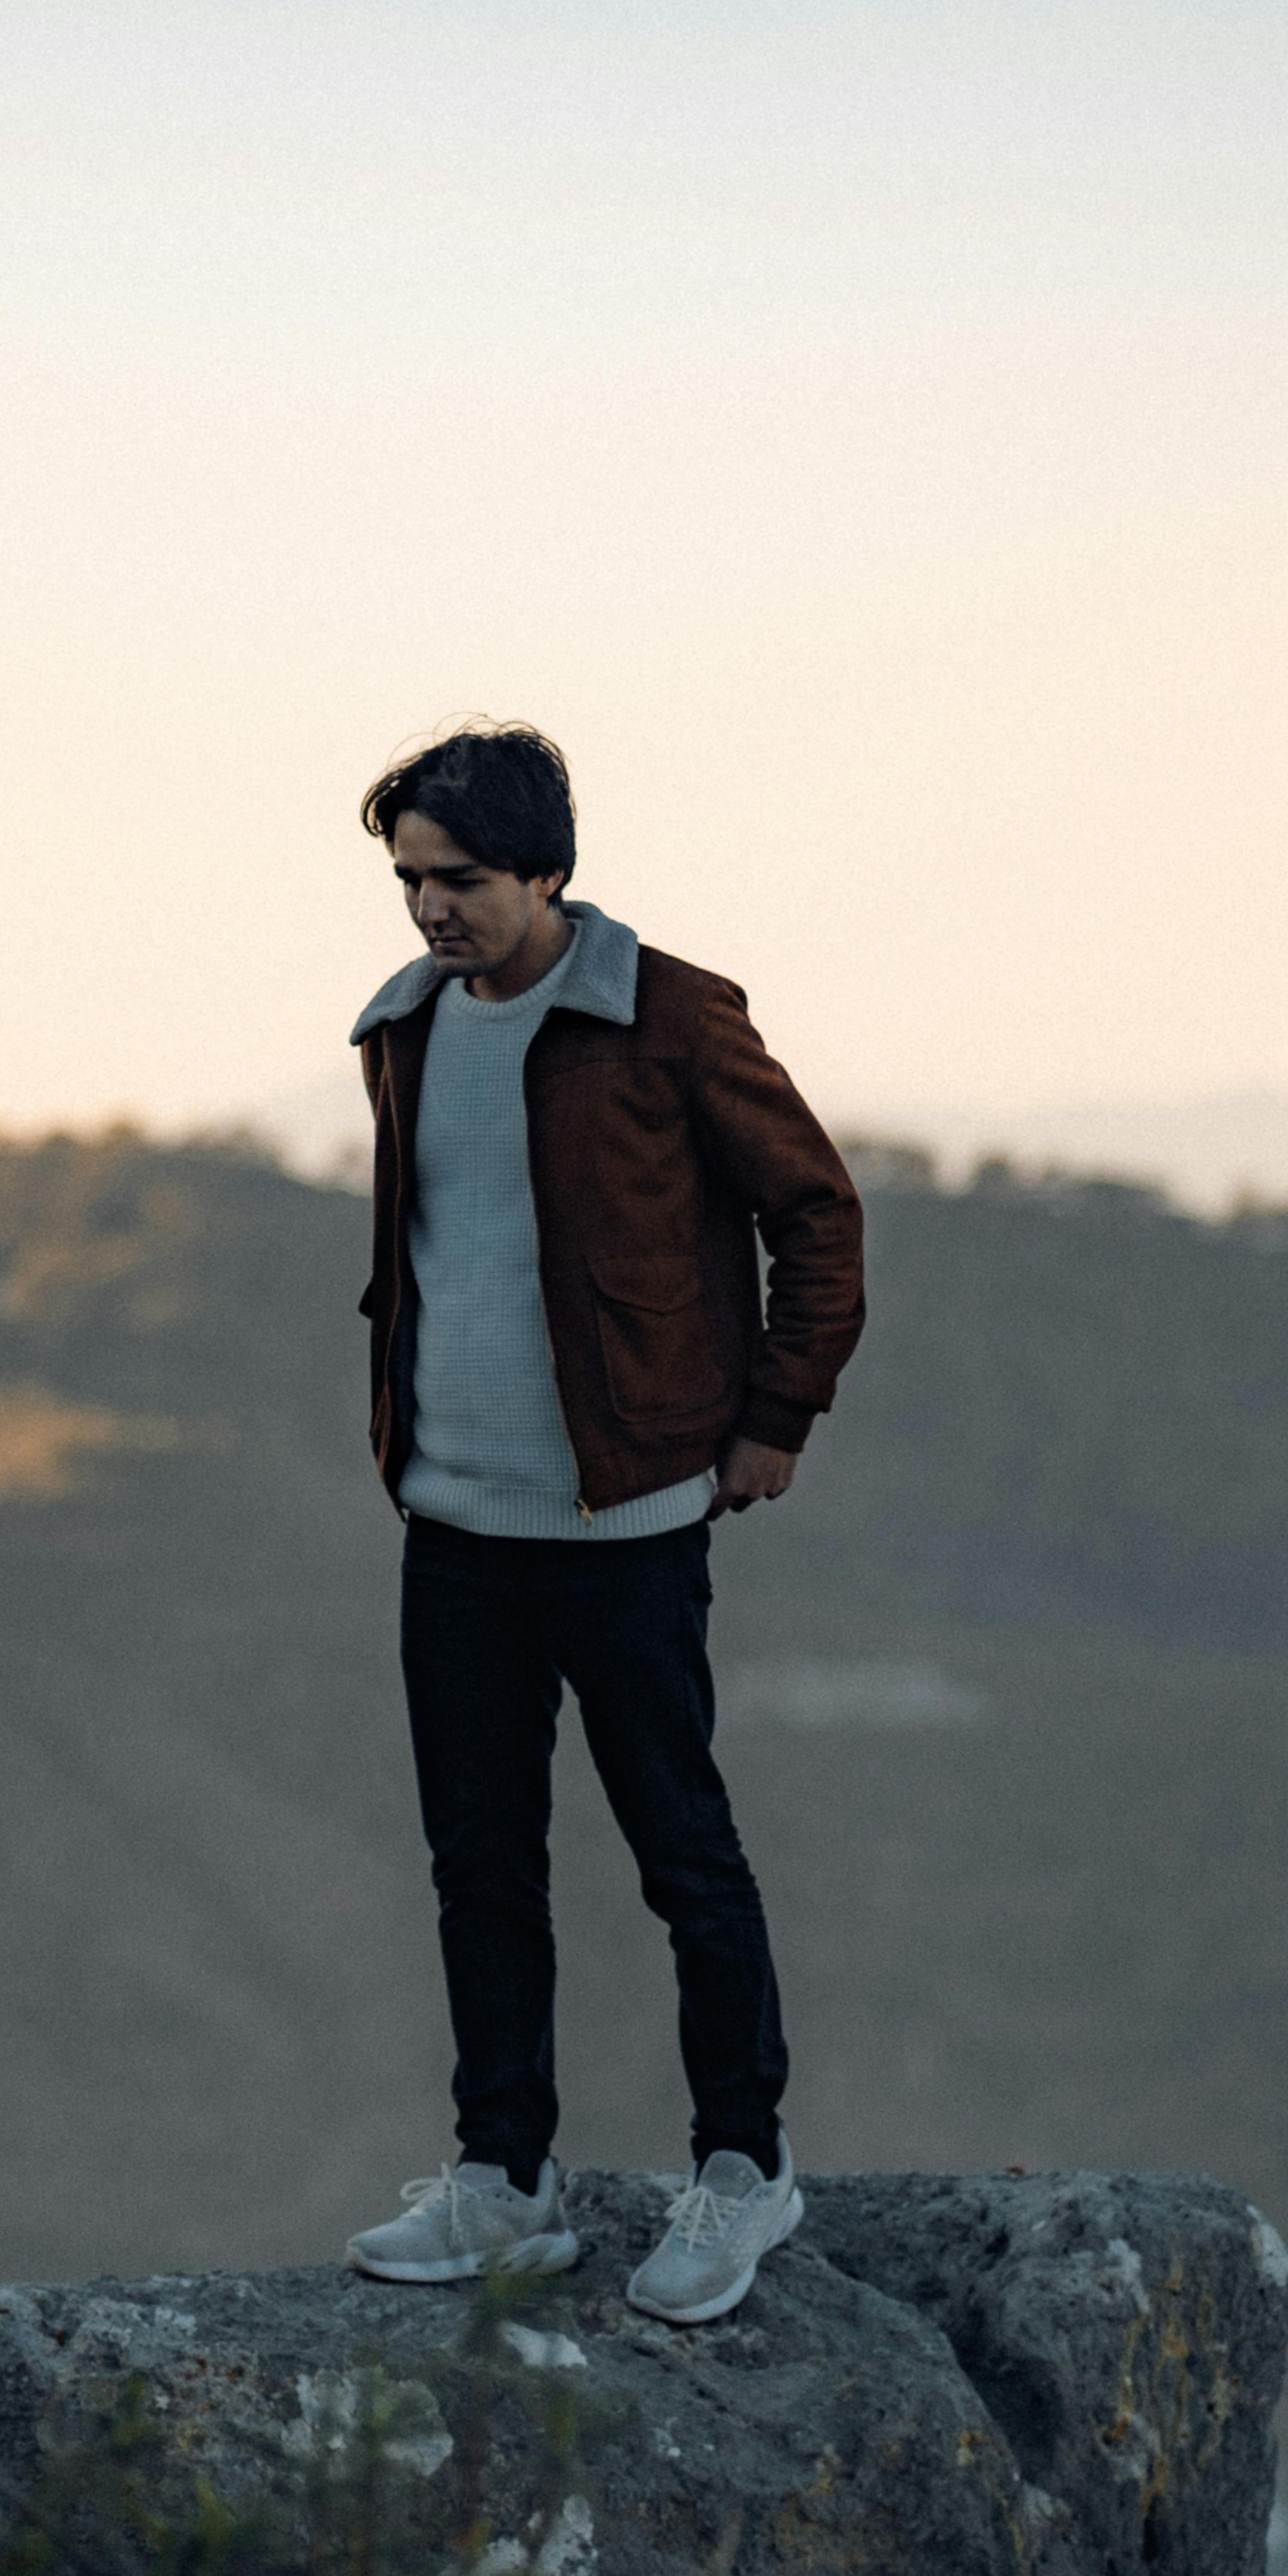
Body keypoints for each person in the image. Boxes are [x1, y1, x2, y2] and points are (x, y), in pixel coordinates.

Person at [343, 725, 866, 2323]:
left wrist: (779, 1413)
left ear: (546, 869)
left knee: (681, 1858)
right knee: (480, 1864)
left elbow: (815, 1209)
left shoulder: (667, 1016)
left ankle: (742, 2172)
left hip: (627, 1522)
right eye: (412, 882)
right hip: (454, 1522)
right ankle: (506, 2182)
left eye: (465, 880)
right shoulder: (410, 1033)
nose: (433, 911)